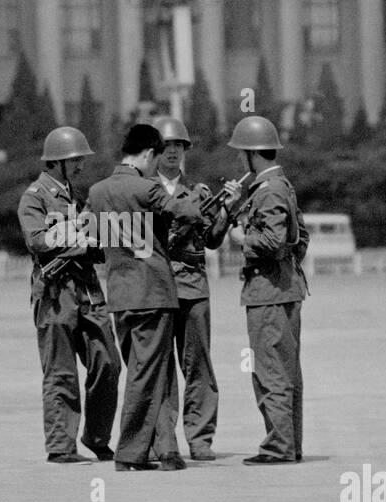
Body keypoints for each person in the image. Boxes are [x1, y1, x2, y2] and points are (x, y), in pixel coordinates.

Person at [85, 123, 205, 471]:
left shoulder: (97, 191)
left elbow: (95, 244)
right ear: (150, 153)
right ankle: (130, 452)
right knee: (148, 374)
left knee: (146, 372)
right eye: (157, 157)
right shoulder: (146, 188)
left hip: (120, 296)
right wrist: (205, 200)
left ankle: (166, 451)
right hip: (153, 292)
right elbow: (188, 213)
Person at [17, 126, 120, 464]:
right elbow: (37, 239)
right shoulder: (35, 195)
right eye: (75, 160)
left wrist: (96, 241)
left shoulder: (76, 196)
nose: (80, 165)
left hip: (88, 291)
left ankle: (97, 435)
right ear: (57, 162)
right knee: (60, 371)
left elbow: (94, 243)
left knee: (108, 362)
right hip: (55, 294)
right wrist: (73, 237)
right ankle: (61, 445)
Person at [221, 116, 309, 465]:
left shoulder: (269, 189)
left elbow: (273, 240)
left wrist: (243, 239)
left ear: (251, 155)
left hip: (267, 292)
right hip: (286, 288)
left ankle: (278, 446)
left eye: (239, 153)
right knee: (288, 371)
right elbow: (301, 236)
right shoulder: (281, 185)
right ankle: (291, 443)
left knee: (270, 370)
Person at [149, 115, 229, 462]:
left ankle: (200, 438)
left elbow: (212, 240)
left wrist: (224, 213)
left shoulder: (199, 193)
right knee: (160, 367)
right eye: (166, 146)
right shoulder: (143, 191)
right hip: (155, 288)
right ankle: (163, 440)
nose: (172, 152)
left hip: (193, 287)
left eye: (178, 146)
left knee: (198, 365)